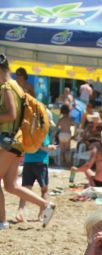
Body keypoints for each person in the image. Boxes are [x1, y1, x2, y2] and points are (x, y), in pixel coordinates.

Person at [0, 53, 55, 230]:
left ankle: (2, 221)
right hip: (17, 141)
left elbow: (11, 115)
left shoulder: (7, 86)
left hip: (8, 141)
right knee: (10, 185)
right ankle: (46, 204)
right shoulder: (17, 86)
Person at [16, 131, 57, 223]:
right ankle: (41, 215)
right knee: (44, 190)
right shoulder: (43, 131)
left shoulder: (28, 130)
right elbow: (43, 146)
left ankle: (20, 212)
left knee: (26, 189)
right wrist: (52, 147)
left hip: (28, 161)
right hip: (40, 162)